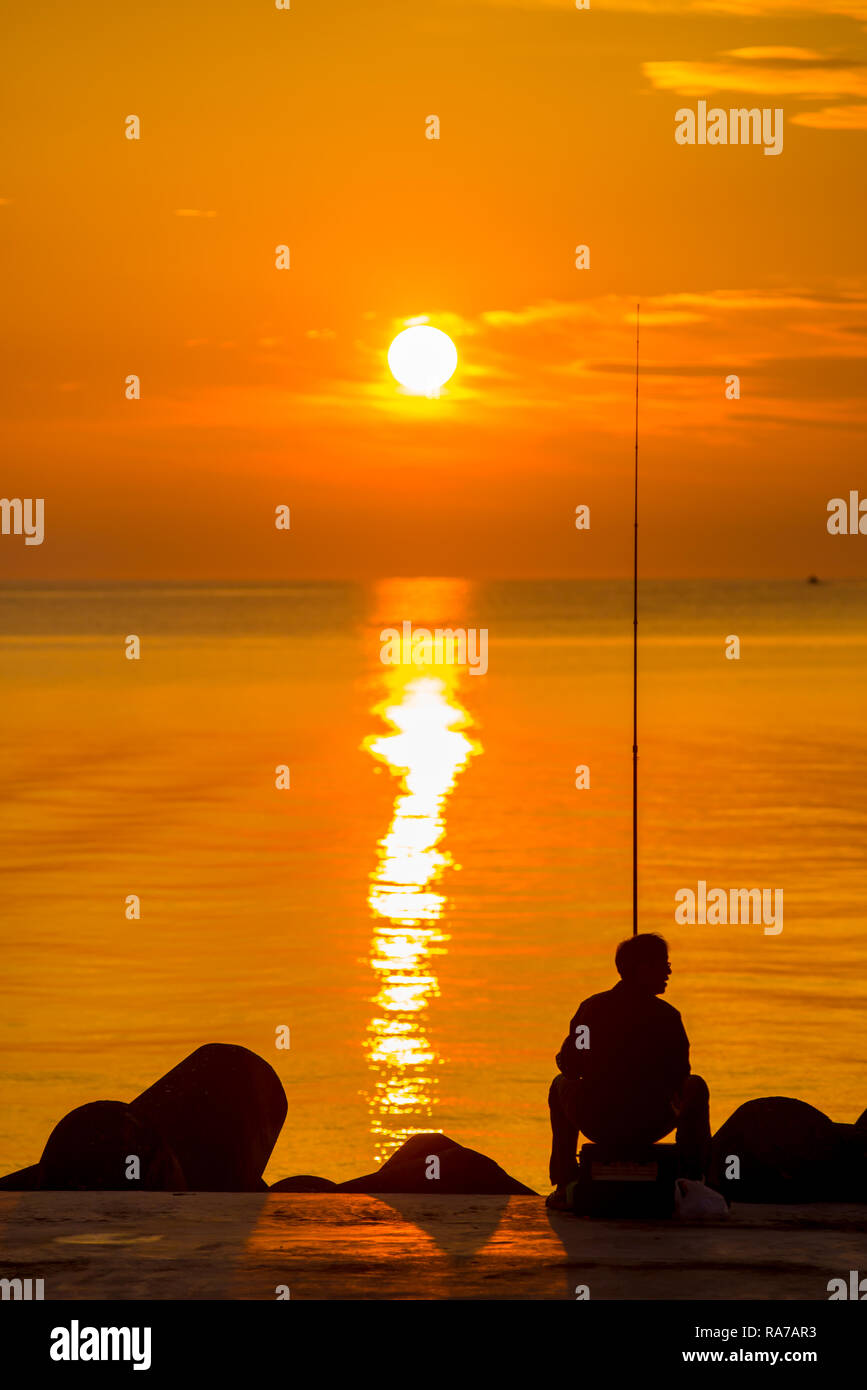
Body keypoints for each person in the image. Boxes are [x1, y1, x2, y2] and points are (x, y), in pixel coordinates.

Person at [547, 932, 710, 1206]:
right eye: (663, 964)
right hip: (652, 1122)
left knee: (558, 1084)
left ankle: (564, 1181)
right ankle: (691, 1177)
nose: (669, 971)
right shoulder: (667, 1017)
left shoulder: (592, 1009)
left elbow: (571, 1067)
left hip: (598, 1121)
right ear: (642, 968)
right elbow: (681, 1075)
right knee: (696, 1085)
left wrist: (563, 1059)